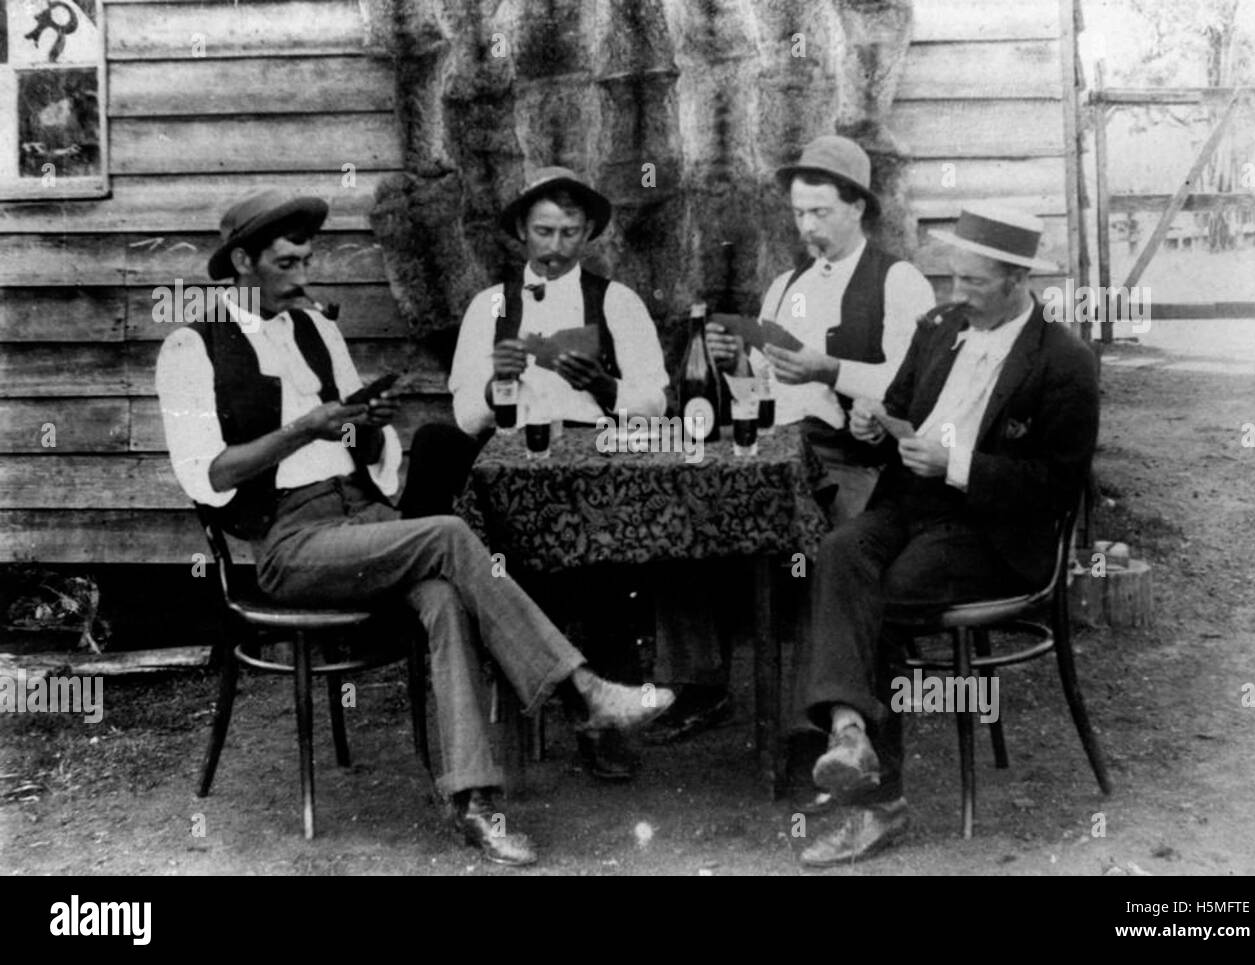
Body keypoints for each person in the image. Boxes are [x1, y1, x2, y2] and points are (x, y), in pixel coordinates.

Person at [155, 190, 674, 868]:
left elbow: (380, 460)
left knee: (447, 598)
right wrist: (305, 427)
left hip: (362, 522)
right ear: (243, 262)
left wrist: (366, 430)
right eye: (286, 262)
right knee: (450, 534)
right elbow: (210, 474)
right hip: (290, 542)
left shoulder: (318, 332)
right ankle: (583, 690)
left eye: (306, 258)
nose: (303, 274)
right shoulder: (191, 347)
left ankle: (475, 803)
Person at [793, 201, 1099, 866]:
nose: (957, 294)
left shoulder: (1064, 361)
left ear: (1018, 281)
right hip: (914, 507)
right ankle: (849, 735)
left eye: (974, 283)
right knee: (841, 550)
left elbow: (1056, 486)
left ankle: (878, 806)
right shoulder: (938, 328)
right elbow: (897, 416)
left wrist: (955, 463)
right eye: (953, 278)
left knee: (887, 592)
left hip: (993, 534)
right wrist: (872, 430)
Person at [643, 134, 935, 745]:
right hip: (773, 450)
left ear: (858, 208)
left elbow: (917, 387)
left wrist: (830, 370)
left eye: (820, 212)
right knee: (674, 506)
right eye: (800, 213)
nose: (807, 226)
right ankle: (698, 683)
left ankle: (817, 716)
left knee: (826, 543)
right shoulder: (784, 287)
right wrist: (735, 366)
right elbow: (764, 390)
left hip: (856, 459)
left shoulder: (898, 282)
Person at [401, 167, 670, 783]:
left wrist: (604, 385)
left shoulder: (616, 301)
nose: (555, 247)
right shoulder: (490, 306)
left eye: (569, 233)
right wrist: (499, 381)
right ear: (521, 231)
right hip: (509, 475)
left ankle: (605, 719)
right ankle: (538, 700)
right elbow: (464, 419)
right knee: (446, 457)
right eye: (544, 231)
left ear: (588, 236)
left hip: (594, 468)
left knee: (613, 549)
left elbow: (657, 402)